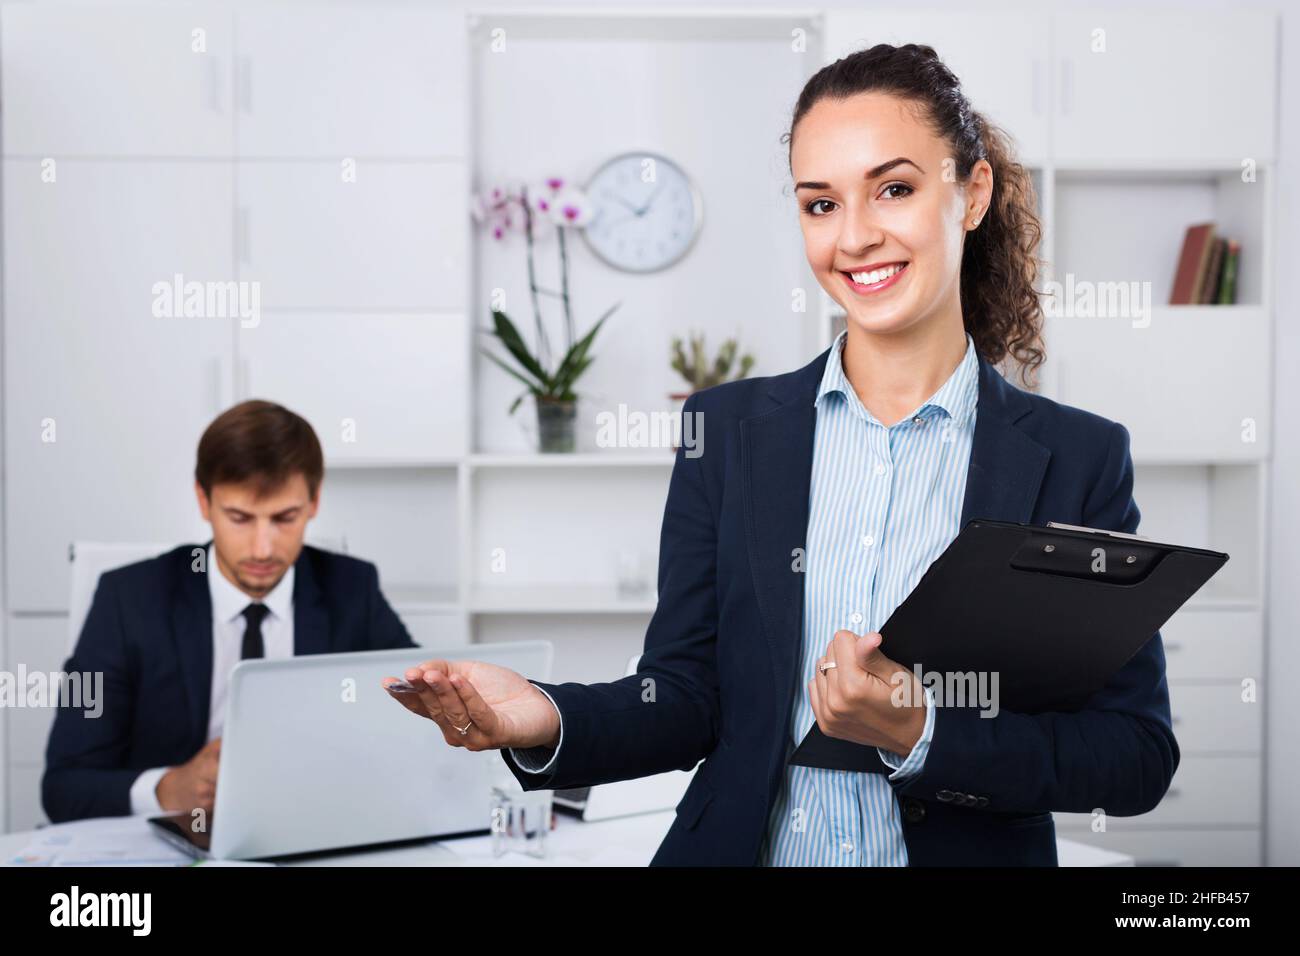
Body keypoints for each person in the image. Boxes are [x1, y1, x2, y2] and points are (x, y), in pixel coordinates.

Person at [383, 44, 1178, 866]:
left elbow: (1133, 753)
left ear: (972, 194)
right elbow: (687, 696)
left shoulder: (1077, 458)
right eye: (820, 204)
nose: (855, 237)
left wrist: (921, 733)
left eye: (894, 189)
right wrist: (544, 716)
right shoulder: (725, 431)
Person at [44, 400, 416, 823]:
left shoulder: (352, 589)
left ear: (314, 502)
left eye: (285, 518)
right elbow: (63, 787)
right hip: (169, 840)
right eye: (239, 517)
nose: (263, 549)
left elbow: (419, 723)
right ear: (203, 501)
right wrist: (167, 789)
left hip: (309, 824)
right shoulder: (127, 600)